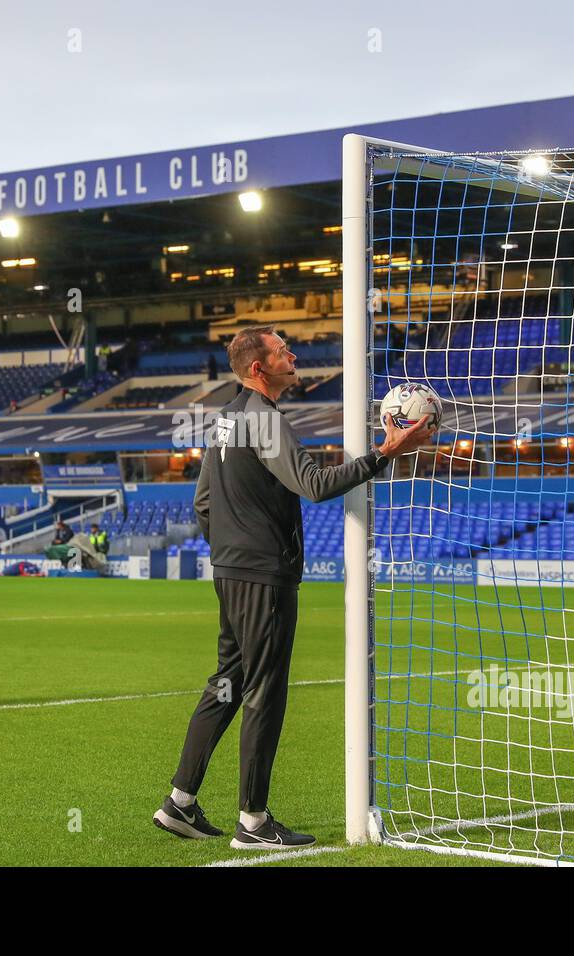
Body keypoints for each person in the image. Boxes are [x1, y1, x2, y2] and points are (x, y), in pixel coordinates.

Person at [153, 325, 435, 850]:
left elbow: (203, 504)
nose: (294, 354)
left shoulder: (223, 422)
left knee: (227, 684)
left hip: (231, 573)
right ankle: (254, 822)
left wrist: (231, 549)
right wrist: (387, 451)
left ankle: (180, 802)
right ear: (259, 368)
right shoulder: (263, 421)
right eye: (283, 351)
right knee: (265, 693)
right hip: (264, 578)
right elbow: (315, 485)